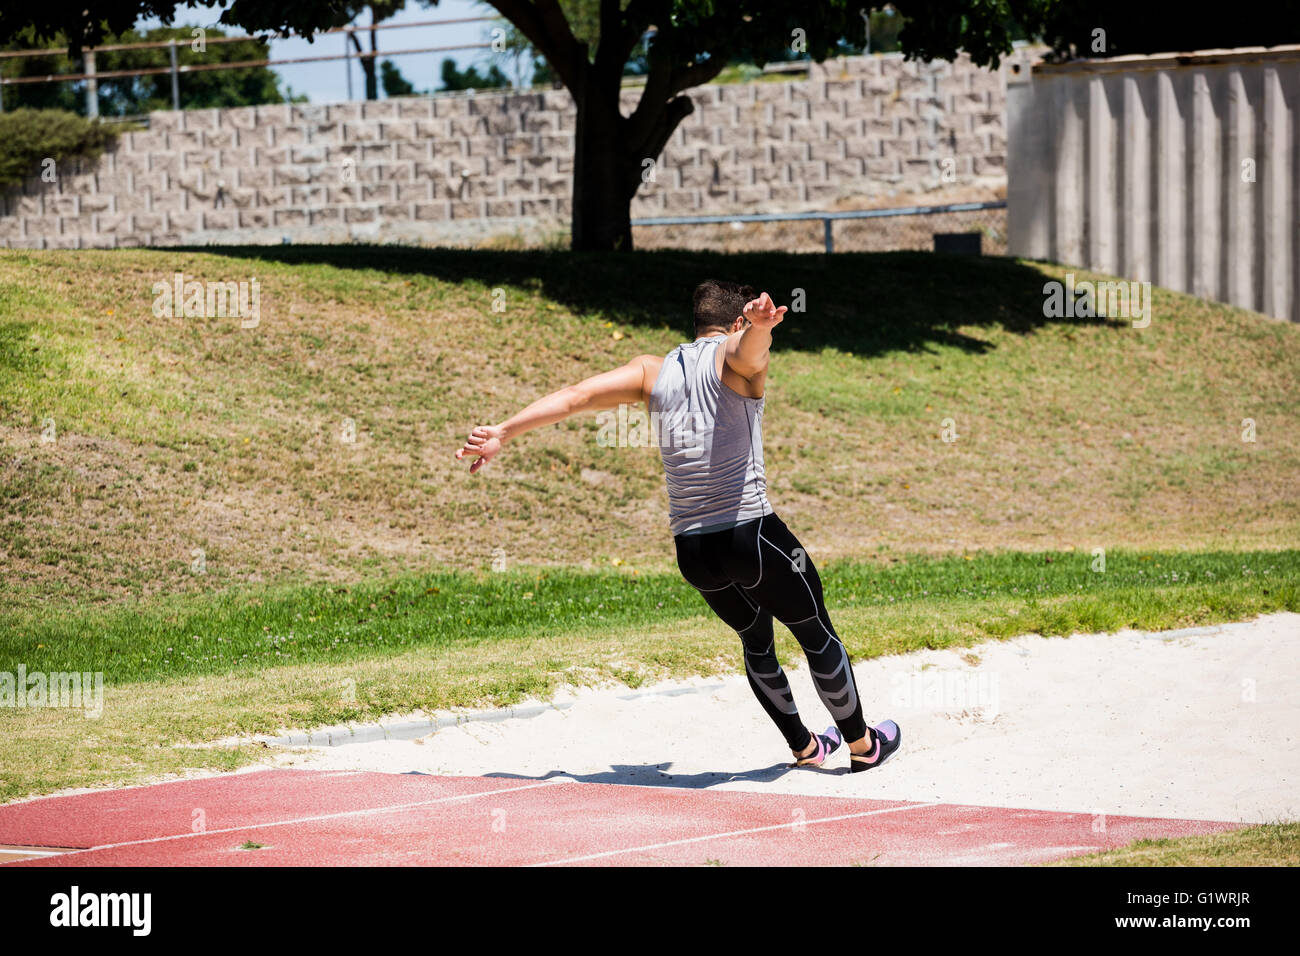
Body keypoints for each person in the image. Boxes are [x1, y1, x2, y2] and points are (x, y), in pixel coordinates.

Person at [455, 279, 900, 772]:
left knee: (756, 641)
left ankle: (805, 747)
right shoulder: (735, 353)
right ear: (734, 323)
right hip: (750, 534)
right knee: (816, 633)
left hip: (693, 552)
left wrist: (503, 431)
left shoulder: (652, 371)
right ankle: (862, 746)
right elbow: (749, 353)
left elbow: (577, 397)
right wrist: (761, 329)